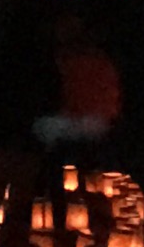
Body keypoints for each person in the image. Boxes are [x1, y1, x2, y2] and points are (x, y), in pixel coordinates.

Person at [33, 9, 122, 155]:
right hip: (93, 119)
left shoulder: (82, 61)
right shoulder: (74, 59)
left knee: (44, 128)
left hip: (94, 120)